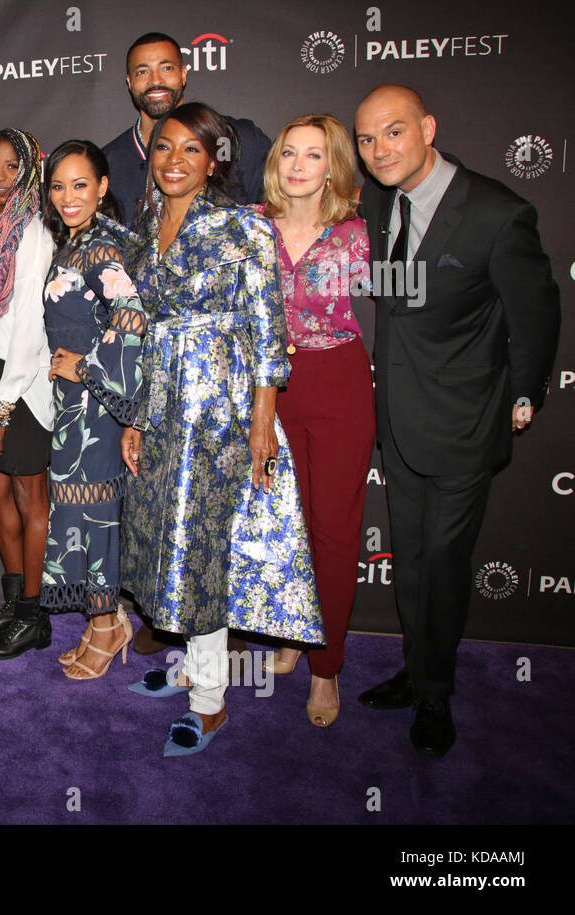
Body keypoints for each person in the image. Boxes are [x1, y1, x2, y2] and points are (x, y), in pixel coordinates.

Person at [353, 85, 560, 756]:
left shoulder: (499, 212)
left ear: (428, 128)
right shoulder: (380, 200)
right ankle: (414, 672)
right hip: (400, 418)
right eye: (366, 139)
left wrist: (524, 394)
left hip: (465, 421)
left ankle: (436, 691)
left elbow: (535, 314)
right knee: (410, 561)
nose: (378, 149)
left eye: (392, 132)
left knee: (443, 561)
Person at [120, 103, 323, 756]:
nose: (174, 160)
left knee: (200, 550)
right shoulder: (147, 224)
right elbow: (147, 328)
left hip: (221, 412)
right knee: (168, 546)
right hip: (164, 403)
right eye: (162, 148)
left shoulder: (242, 227)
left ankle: (208, 704)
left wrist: (263, 429)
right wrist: (137, 418)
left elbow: (269, 334)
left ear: (214, 160)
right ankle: (190, 668)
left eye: (190, 149)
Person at [250, 114, 375, 728]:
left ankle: (326, 667)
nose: (299, 165)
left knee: (332, 529)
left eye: (314, 156)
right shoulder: (252, 226)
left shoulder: (357, 235)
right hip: (270, 388)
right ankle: (290, 634)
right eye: (289, 153)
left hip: (337, 383)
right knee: (279, 525)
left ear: (333, 167)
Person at [40, 140, 150, 680]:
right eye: (58, 186)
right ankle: (99, 618)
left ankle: (108, 626)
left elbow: (133, 320)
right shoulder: (74, 243)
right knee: (80, 510)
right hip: (73, 408)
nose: (68, 197)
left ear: (103, 187)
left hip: (97, 407)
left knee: (94, 513)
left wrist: (83, 368)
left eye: (80, 185)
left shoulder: (106, 247)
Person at [0, 128, 56, 660]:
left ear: (30, 169)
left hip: (20, 380)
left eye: (11, 167)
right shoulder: (0, 226)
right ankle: (14, 599)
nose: (0, 178)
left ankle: (33, 616)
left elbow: (29, 326)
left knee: (30, 497)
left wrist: (2, 404)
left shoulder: (37, 229)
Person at [102, 32, 271, 237]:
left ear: (183, 74)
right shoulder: (108, 164)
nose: (156, 80)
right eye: (142, 72)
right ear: (129, 82)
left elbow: (280, 211)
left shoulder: (239, 139)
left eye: (166, 68)